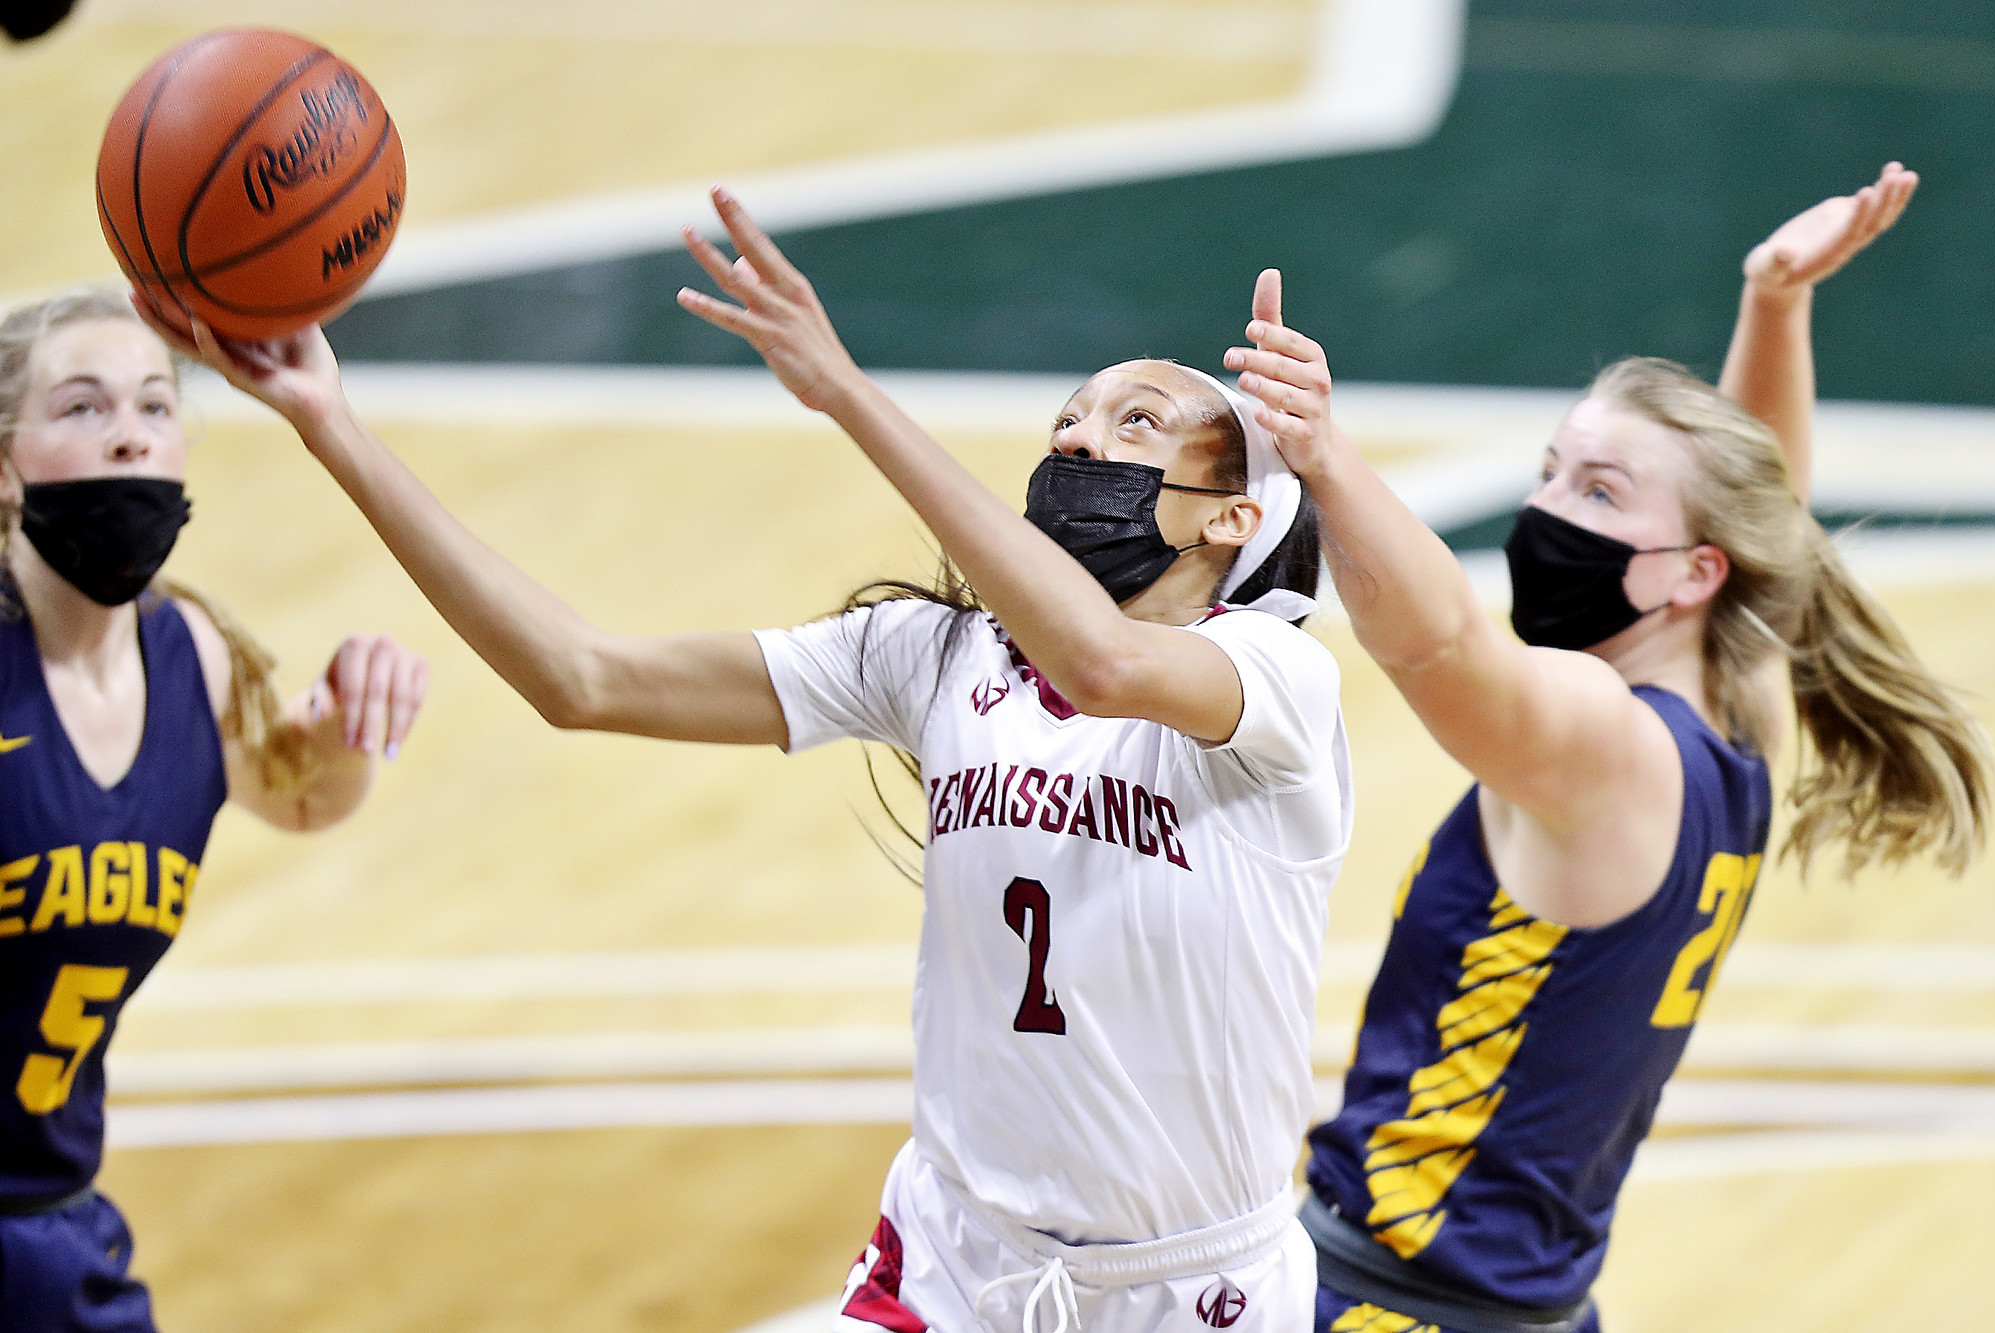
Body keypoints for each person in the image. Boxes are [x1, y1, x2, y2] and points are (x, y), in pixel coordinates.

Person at [140, 187, 1353, 1332]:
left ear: (1229, 516)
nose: (1078, 437)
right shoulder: (931, 655)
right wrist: (328, 424)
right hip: (951, 1263)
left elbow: (1102, 666)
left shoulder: (1272, 679)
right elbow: (583, 677)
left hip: (1192, 1290)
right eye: (1067, 418)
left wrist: (845, 393)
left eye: (1132, 420)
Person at [1219, 164, 1991, 1333]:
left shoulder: (1602, 739)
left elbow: (1435, 645)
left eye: (1595, 491)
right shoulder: (1733, 711)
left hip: (1394, 1305)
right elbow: (1754, 521)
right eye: (1547, 474)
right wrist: (1772, 302)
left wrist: (1325, 458)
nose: (1546, 514)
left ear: (1688, 573)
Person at [0, 287, 429, 1332]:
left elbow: (301, 794)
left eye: (155, 406)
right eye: (83, 409)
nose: (131, 439)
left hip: (47, 1230)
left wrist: (340, 726)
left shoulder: (189, 653)